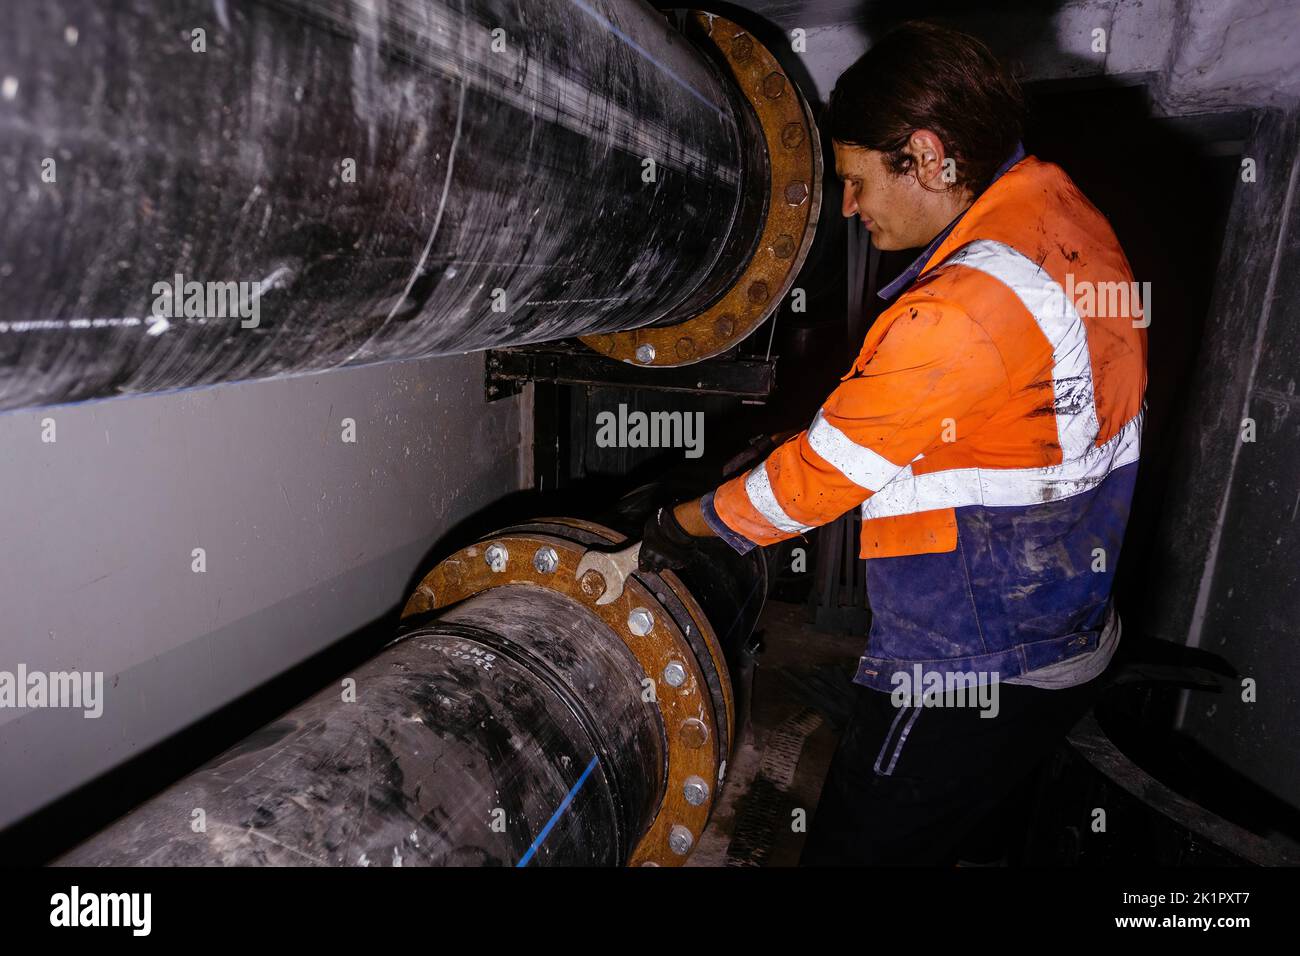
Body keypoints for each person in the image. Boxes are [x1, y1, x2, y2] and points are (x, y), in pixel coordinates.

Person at [636, 21, 1148, 865]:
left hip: (970, 662)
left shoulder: (960, 310)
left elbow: (811, 486)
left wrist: (686, 524)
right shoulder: (1059, 211)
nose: (848, 206)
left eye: (856, 180)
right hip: (1064, 625)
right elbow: (990, 412)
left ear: (925, 155)